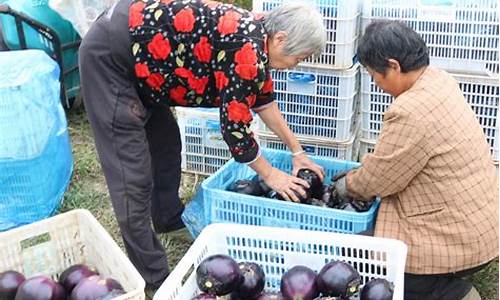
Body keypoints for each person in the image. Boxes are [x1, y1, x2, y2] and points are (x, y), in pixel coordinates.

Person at [78, 0, 326, 295]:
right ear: (282, 39)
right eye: (299, 57)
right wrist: (271, 175)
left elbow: (263, 100)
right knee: (131, 175)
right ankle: (154, 279)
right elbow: (236, 132)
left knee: (166, 146)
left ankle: (168, 218)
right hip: (113, 60)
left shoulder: (261, 35)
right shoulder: (246, 50)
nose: (296, 64)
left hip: (144, 62)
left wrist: (298, 152)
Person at [333, 20, 499, 300]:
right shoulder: (438, 79)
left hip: (458, 239)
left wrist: (345, 186)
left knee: (364, 260)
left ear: (394, 66)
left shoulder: (411, 110)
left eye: (375, 75)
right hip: (481, 224)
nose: (376, 83)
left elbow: (379, 178)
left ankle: (449, 291)